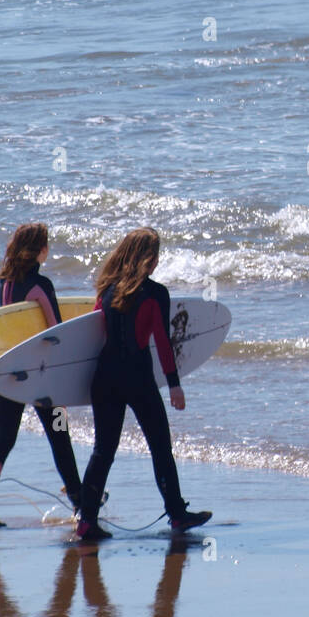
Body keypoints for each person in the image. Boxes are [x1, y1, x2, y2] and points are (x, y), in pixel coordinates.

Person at [76, 227, 210, 541]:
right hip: (137, 379)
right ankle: (177, 515)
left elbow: (91, 329)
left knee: (102, 452)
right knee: (160, 448)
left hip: (104, 379)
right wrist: (174, 384)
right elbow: (163, 342)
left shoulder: (107, 290)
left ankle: (86, 521)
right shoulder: (155, 294)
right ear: (149, 258)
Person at [0, 223, 83, 528]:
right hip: (40, 377)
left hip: (9, 372)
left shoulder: (4, 282)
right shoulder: (41, 285)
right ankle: (80, 501)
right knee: (60, 437)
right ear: (40, 250)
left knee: (3, 440)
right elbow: (56, 330)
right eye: (46, 245)